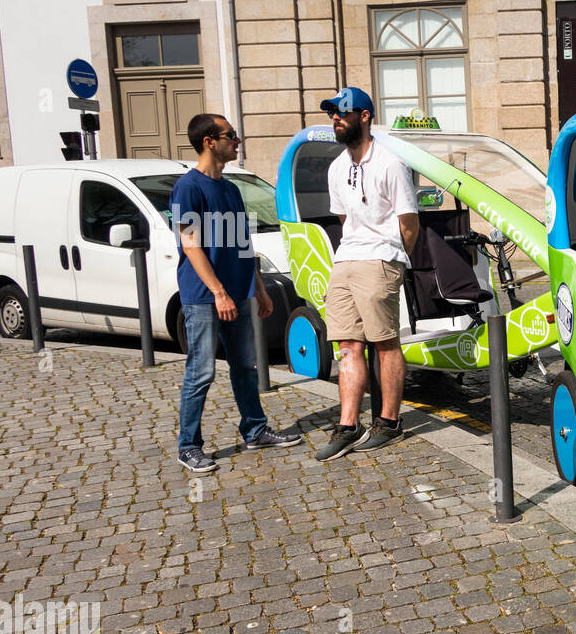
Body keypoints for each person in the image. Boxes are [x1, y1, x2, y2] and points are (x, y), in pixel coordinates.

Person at [171, 114, 301, 473]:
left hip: (238, 293)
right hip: (204, 297)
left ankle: (255, 430)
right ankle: (188, 446)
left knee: (246, 366)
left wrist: (258, 289)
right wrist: (218, 293)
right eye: (231, 135)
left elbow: (242, 243)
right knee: (201, 371)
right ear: (209, 141)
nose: (238, 140)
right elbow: (191, 246)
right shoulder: (188, 187)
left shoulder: (229, 188)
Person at [314, 87, 420, 461]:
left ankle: (389, 422)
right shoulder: (336, 167)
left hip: (380, 259)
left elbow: (409, 223)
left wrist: (392, 258)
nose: (335, 119)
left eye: (342, 112)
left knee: (385, 342)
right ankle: (348, 425)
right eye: (332, 114)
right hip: (346, 259)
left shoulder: (390, 163)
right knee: (347, 345)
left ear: (364, 116)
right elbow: (346, 220)